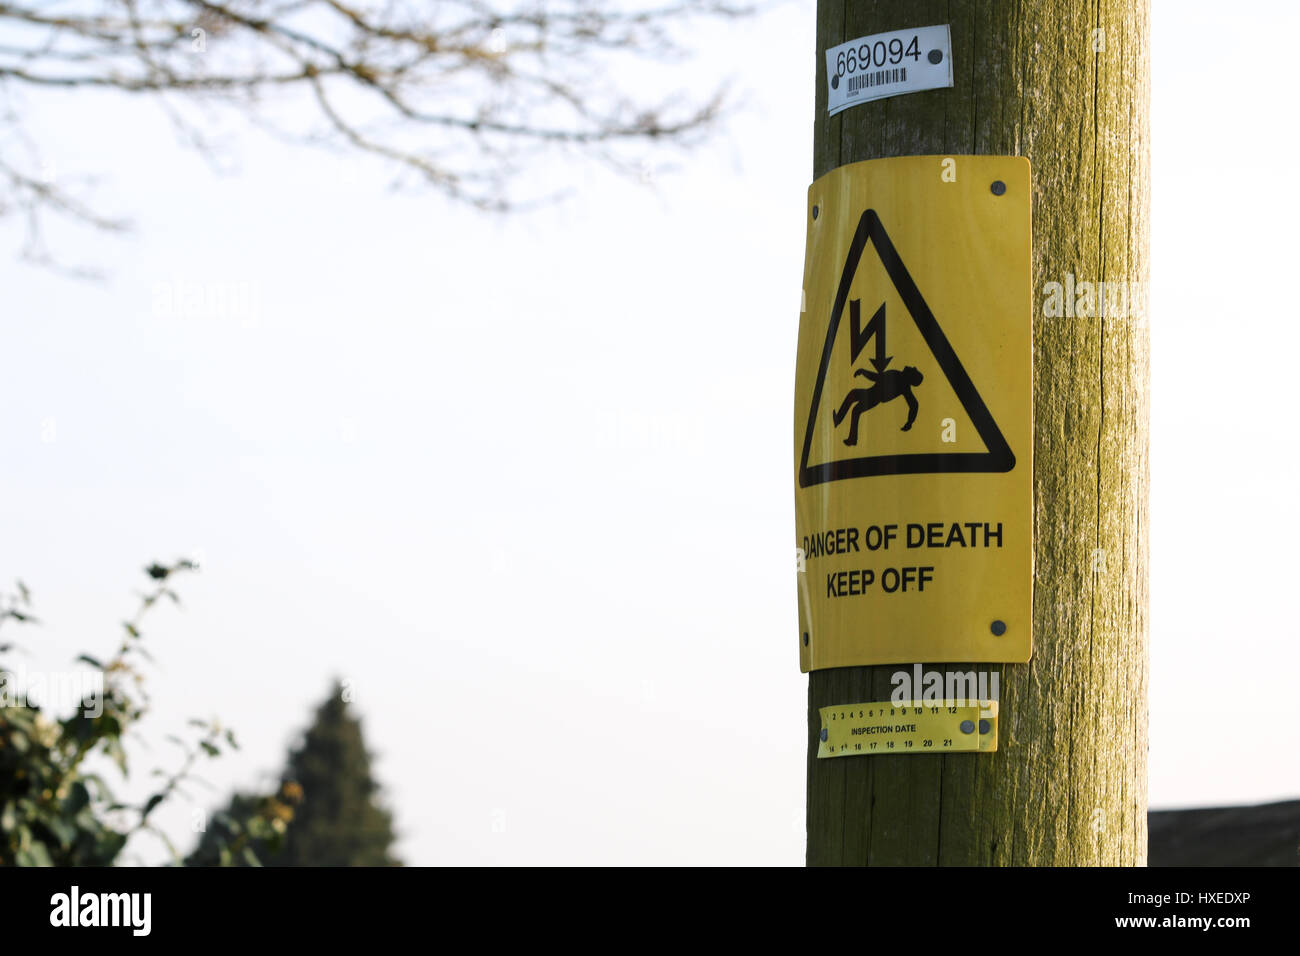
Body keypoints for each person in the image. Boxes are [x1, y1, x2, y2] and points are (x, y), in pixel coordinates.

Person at [832, 365, 923, 445]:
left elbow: (876, 377)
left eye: (913, 370)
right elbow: (914, 404)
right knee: (853, 397)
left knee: (856, 410)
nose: (911, 367)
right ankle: (840, 422)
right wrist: (909, 422)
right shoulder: (902, 382)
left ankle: (851, 438)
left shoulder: (899, 380)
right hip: (871, 393)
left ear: (911, 376)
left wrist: (863, 372)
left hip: (873, 397)